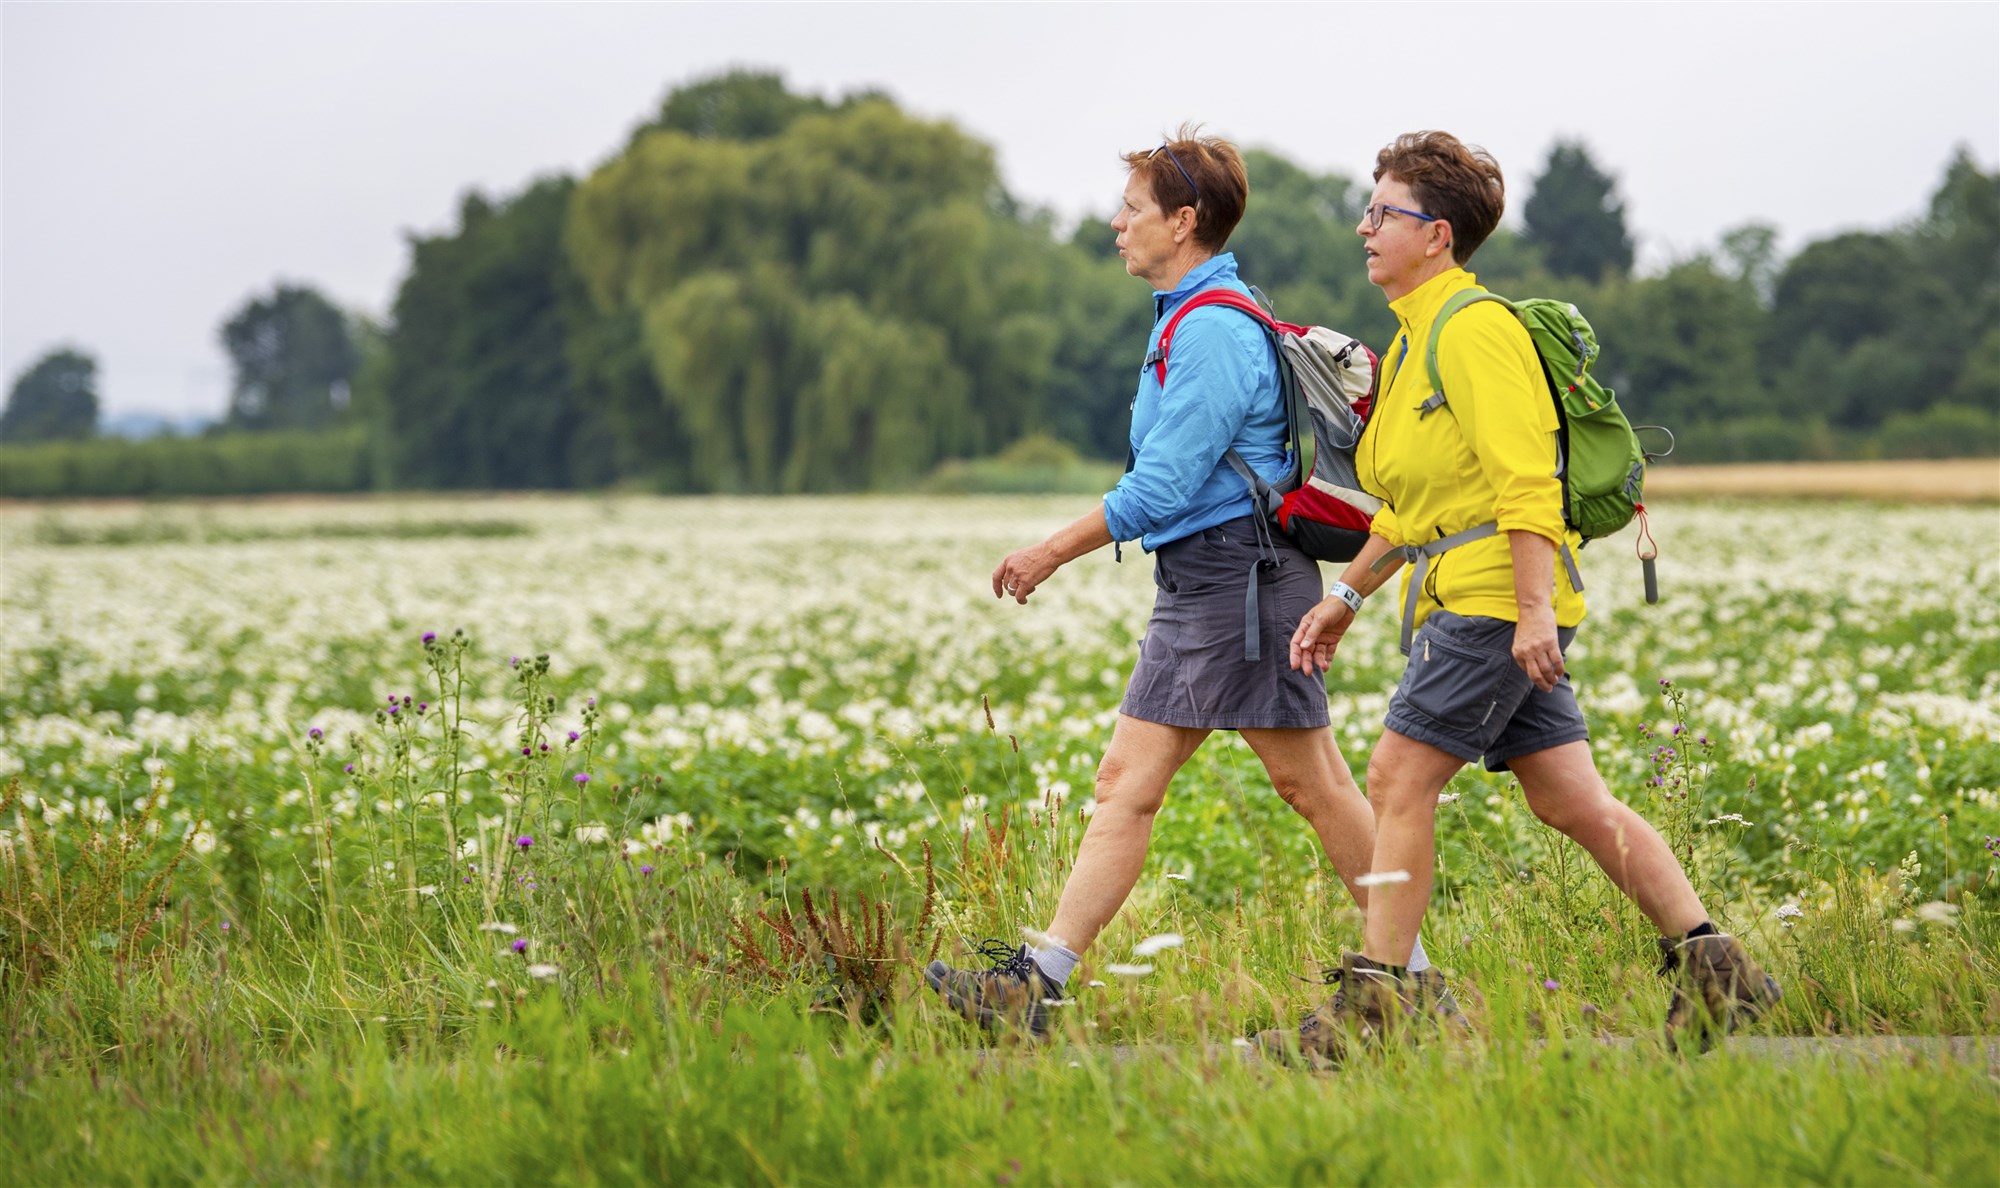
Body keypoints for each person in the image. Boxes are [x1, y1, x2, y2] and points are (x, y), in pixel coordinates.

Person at [923, 127, 1459, 1039]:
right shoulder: (1188, 316)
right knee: (1128, 783)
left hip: (1240, 582)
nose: (1116, 223)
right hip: (1202, 585)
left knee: (1313, 787)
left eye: (1132, 209)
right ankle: (1036, 987)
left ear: (1183, 221)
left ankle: (1411, 984)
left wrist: (1051, 550)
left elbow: (1164, 486)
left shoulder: (1212, 328)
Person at [1276, 130, 1780, 1059]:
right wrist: (1346, 595)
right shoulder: (1416, 338)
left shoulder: (1474, 331)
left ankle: (1379, 1006)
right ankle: (1720, 969)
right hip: (1473, 595)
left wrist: (1535, 611)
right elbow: (1414, 506)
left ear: (1438, 235)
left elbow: (1526, 482)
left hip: (1497, 602)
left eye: (1383, 212)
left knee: (1395, 779)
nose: (1364, 228)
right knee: (1571, 801)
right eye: (1368, 210)